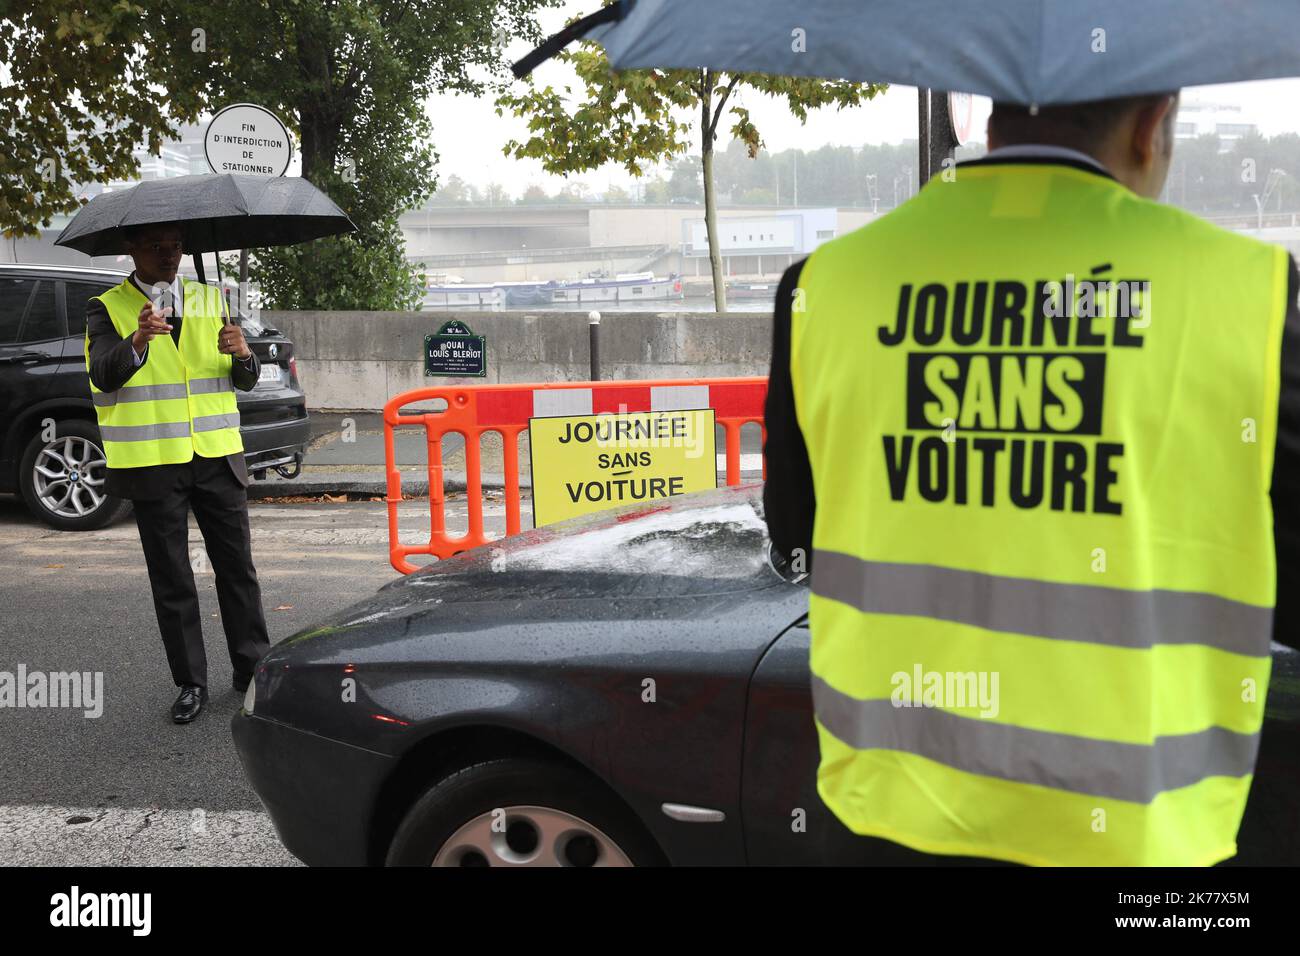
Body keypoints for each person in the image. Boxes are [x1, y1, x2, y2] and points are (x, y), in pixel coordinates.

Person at [763, 90, 1300, 866]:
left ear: (993, 116)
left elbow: (797, 536)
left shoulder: (823, 284)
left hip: (888, 816)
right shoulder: (1251, 292)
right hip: (1133, 835)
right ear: (1153, 122)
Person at [85, 222, 271, 724]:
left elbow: (245, 381)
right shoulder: (107, 307)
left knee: (237, 568)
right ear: (131, 249)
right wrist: (138, 339)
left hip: (217, 455)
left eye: (176, 247)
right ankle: (191, 683)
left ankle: (252, 669)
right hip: (154, 461)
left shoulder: (213, 299)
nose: (168, 256)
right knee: (172, 577)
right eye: (156, 247)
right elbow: (102, 374)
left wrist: (244, 353)